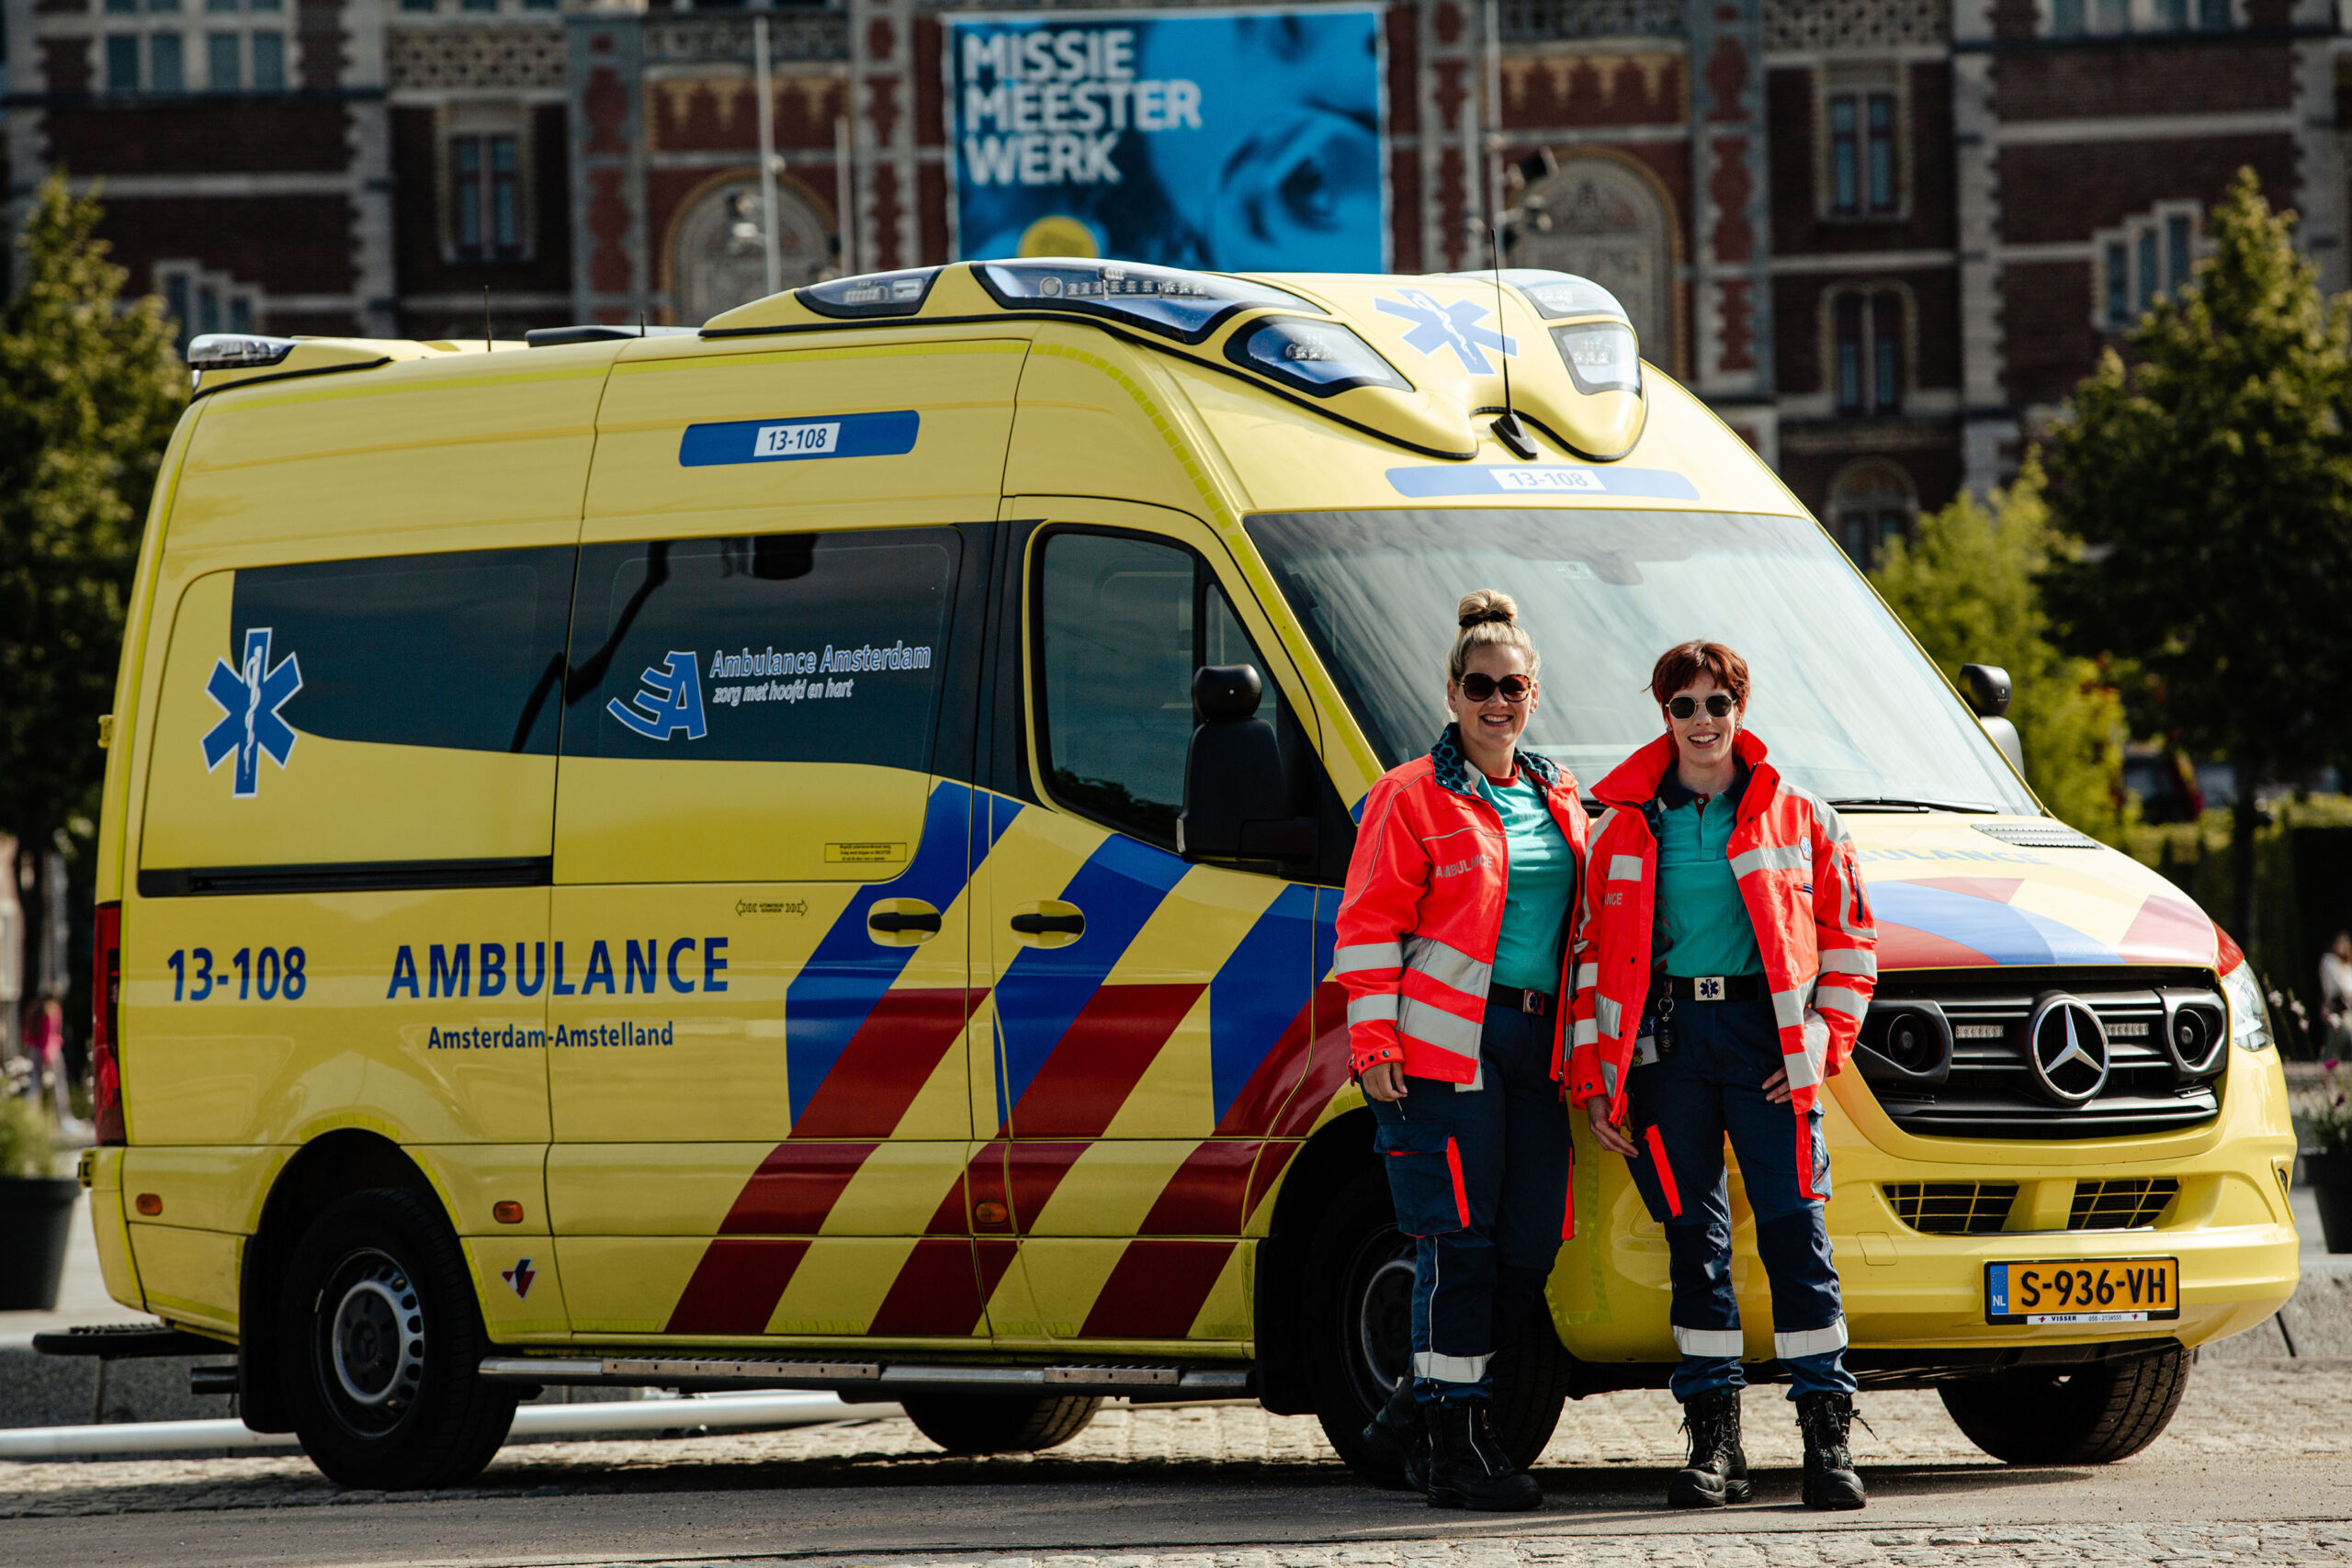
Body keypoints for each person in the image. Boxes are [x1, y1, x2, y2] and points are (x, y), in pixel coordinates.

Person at [1567, 641, 1877, 1512]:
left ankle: (1828, 1442)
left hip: (1766, 1044)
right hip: (1668, 1048)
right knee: (1695, 1246)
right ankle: (1717, 1449)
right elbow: (1593, 955)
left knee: (1795, 1236)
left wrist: (1820, 1037)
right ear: (1663, 714)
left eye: (1717, 703)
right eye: (1685, 705)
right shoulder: (1621, 823)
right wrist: (1600, 1073)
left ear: (1741, 710)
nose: (1703, 721)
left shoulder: (1799, 813)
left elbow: (1852, 944)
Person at [1335, 590, 1589, 1512]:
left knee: (1529, 1243)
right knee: (1458, 1243)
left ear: (1532, 694)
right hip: (1444, 1049)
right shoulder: (1410, 796)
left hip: (1540, 1045)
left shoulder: (1558, 795)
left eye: (1512, 686)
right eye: (1479, 686)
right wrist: (1373, 1039)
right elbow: (1366, 927)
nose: (1497, 701)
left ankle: (1413, 1411)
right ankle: (1452, 1445)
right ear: (1450, 692)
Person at [2321, 933, 2352, 1054]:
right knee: (2336, 1037)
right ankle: (2328, 1064)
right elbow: (2339, 985)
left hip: (2347, 1004)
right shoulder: (2329, 961)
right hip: (2338, 1003)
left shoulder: (2348, 965)